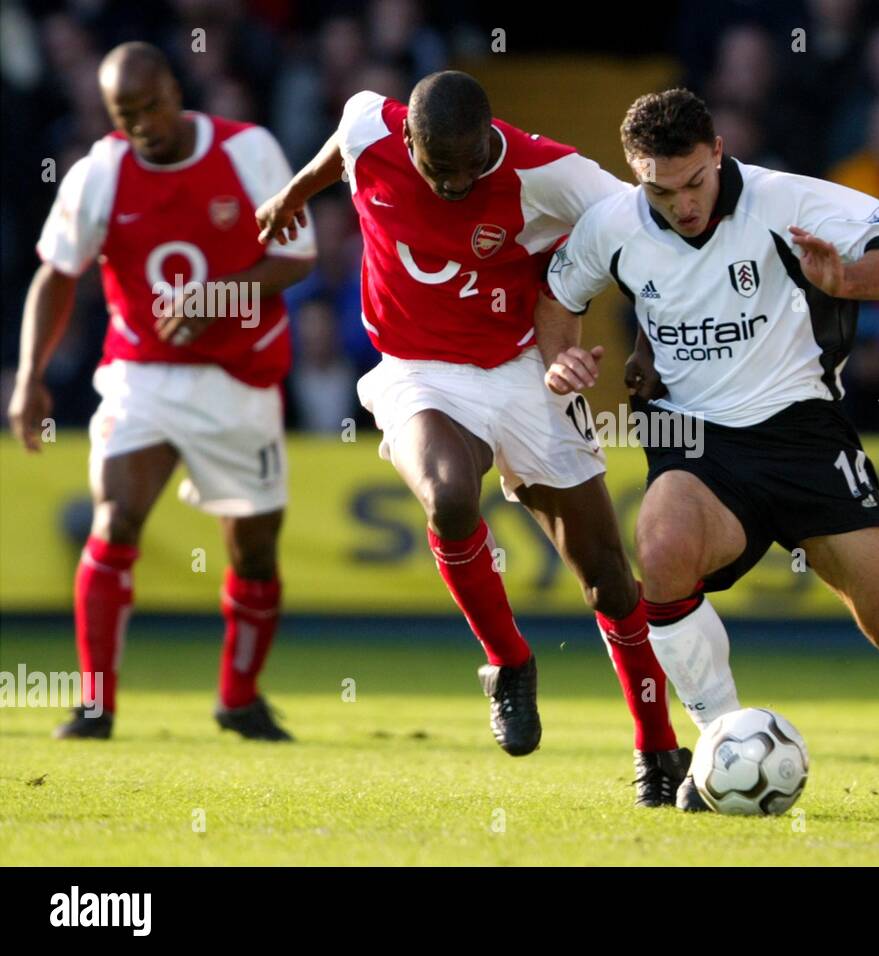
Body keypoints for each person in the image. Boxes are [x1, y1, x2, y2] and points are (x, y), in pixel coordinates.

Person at [539, 88, 879, 816]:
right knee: (660, 547)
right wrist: (560, 361)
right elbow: (559, 296)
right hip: (695, 443)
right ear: (635, 172)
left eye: (693, 183)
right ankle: (718, 745)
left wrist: (849, 280)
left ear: (718, 154)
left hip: (805, 434)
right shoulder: (612, 226)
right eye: (661, 188)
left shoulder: (786, 201)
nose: (682, 204)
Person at [256, 71, 688, 805]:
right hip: (418, 369)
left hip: (523, 368)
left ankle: (658, 749)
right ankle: (508, 662)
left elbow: (648, 240)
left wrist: (645, 343)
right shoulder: (370, 127)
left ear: (488, 139)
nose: (450, 185)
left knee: (607, 580)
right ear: (409, 143)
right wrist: (294, 195)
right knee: (450, 496)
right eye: (435, 169)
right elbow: (339, 147)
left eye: (464, 169)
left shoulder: (549, 172)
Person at [8, 42, 317, 741]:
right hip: (140, 372)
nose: (143, 123)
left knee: (255, 552)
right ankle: (95, 705)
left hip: (239, 376)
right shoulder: (99, 174)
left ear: (176, 91)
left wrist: (222, 297)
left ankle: (238, 698)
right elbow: (56, 274)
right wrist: (29, 377)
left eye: (152, 105)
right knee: (114, 520)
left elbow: (296, 256)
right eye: (126, 113)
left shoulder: (249, 151)